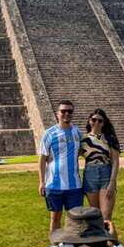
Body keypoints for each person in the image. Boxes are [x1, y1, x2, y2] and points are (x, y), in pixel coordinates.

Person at [39, 100, 83, 234]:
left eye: (70, 111)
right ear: (57, 113)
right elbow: (42, 159)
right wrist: (41, 182)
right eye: (63, 111)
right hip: (54, 184)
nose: (67, 114)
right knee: (55, 219)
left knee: (75, 219)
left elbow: (84, 151)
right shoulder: (49, 133)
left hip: (74, 185)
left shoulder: (78, 133)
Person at [80, 109, 121, 221]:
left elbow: (115, 161)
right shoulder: (83, 139)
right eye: (94, 120)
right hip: (90, 175)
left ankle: (110, 239)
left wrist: (112, 182)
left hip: (106, 174)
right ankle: (99, 239)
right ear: (89, 121)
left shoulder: (109, 138)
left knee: (106, 216)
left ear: (104, 123)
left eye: (100, 121)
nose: (96, 123)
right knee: (95, 214)